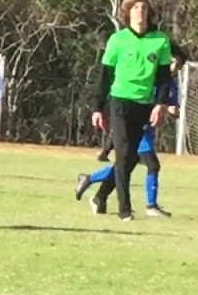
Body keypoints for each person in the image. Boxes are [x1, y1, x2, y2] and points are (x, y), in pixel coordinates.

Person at [87, 0, 173, 221]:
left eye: (143, 7)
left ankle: (100, 195)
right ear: (127, 12)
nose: (140, 11)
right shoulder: (117, 40)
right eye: (135, 7)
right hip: (120, 101)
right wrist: (98, 107)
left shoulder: (161, 40)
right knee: (124, 155)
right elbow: (104, 76)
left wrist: (160, 104)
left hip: (144, 104)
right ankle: (124, 209)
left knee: (131, 158)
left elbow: (164, 77)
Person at [76, 45, 188, 217]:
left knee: (127, 163)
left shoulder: (169, 85)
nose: (173, 66)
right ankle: (151, 206)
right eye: (172, 61)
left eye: (177, 64)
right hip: (139, 128)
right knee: (152, 165)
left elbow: (175, 110)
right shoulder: (149, 77)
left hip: (148, 131)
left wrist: (171, 110)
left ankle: (95, 188)